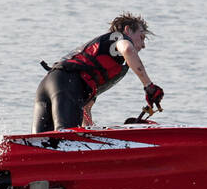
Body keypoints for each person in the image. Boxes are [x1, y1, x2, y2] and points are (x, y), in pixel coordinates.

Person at [34, 13, 163, 132]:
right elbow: (128, 50)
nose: (143, 45)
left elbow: (86, 108)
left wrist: (91, 132)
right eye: (141, 37)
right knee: (65, 137)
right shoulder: (119, 38)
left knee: (39, 144)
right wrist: (148, 85)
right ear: (127, 30)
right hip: (66, 83)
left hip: (48, 84)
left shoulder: (102, 56)